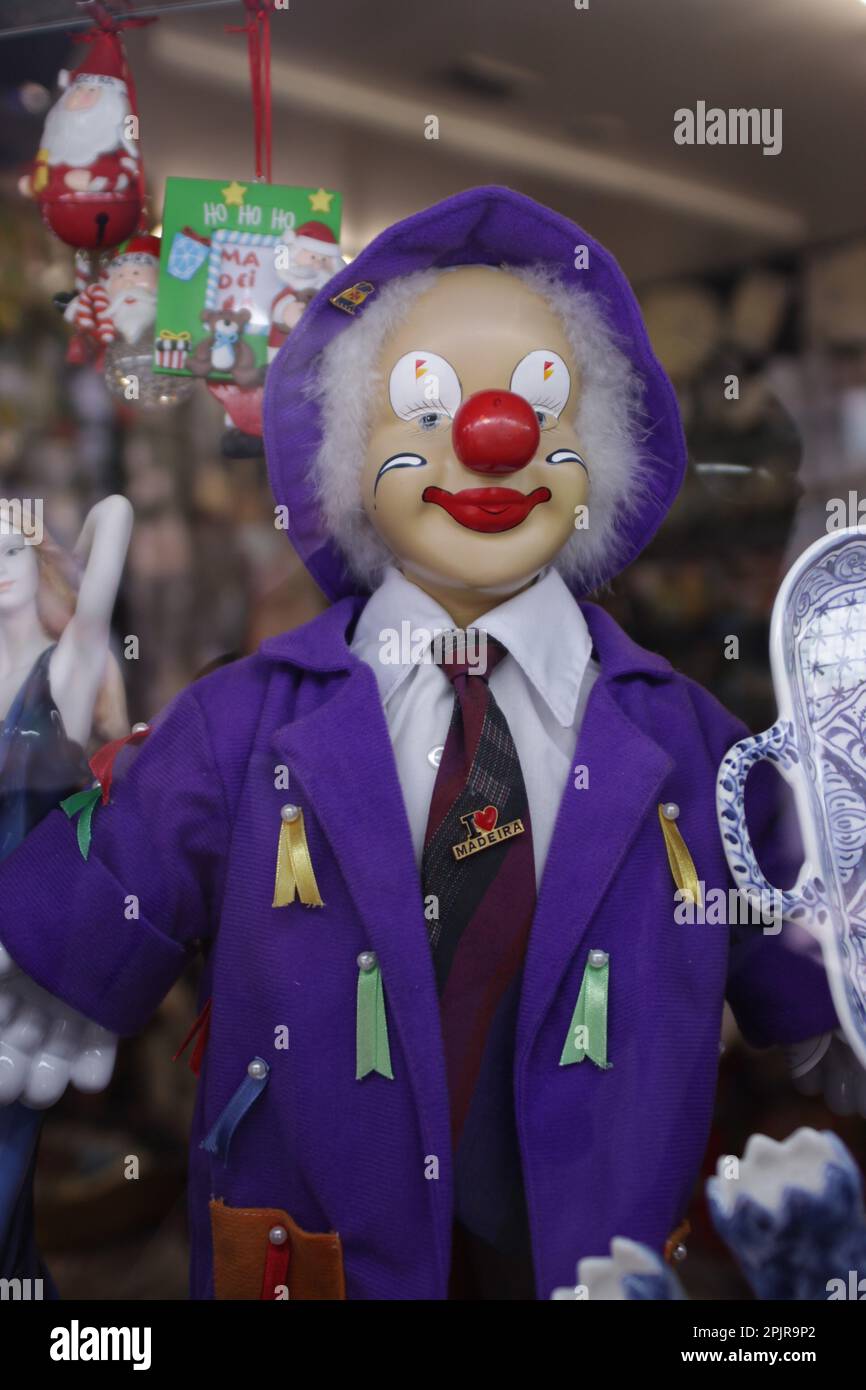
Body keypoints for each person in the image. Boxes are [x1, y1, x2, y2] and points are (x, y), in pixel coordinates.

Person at [0, 190, 853, 1300]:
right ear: (353, 448)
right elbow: (48, 973)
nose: (493, 437)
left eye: (540, 400)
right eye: (428, 402)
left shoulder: (696, 751)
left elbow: (829, 1010)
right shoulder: (237, 727)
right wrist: (26, 749)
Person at [0, 495, 131, 1283]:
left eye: (8, 554)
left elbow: (113, 518)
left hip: (21, 961)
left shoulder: (67, 669)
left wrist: (45, 533)